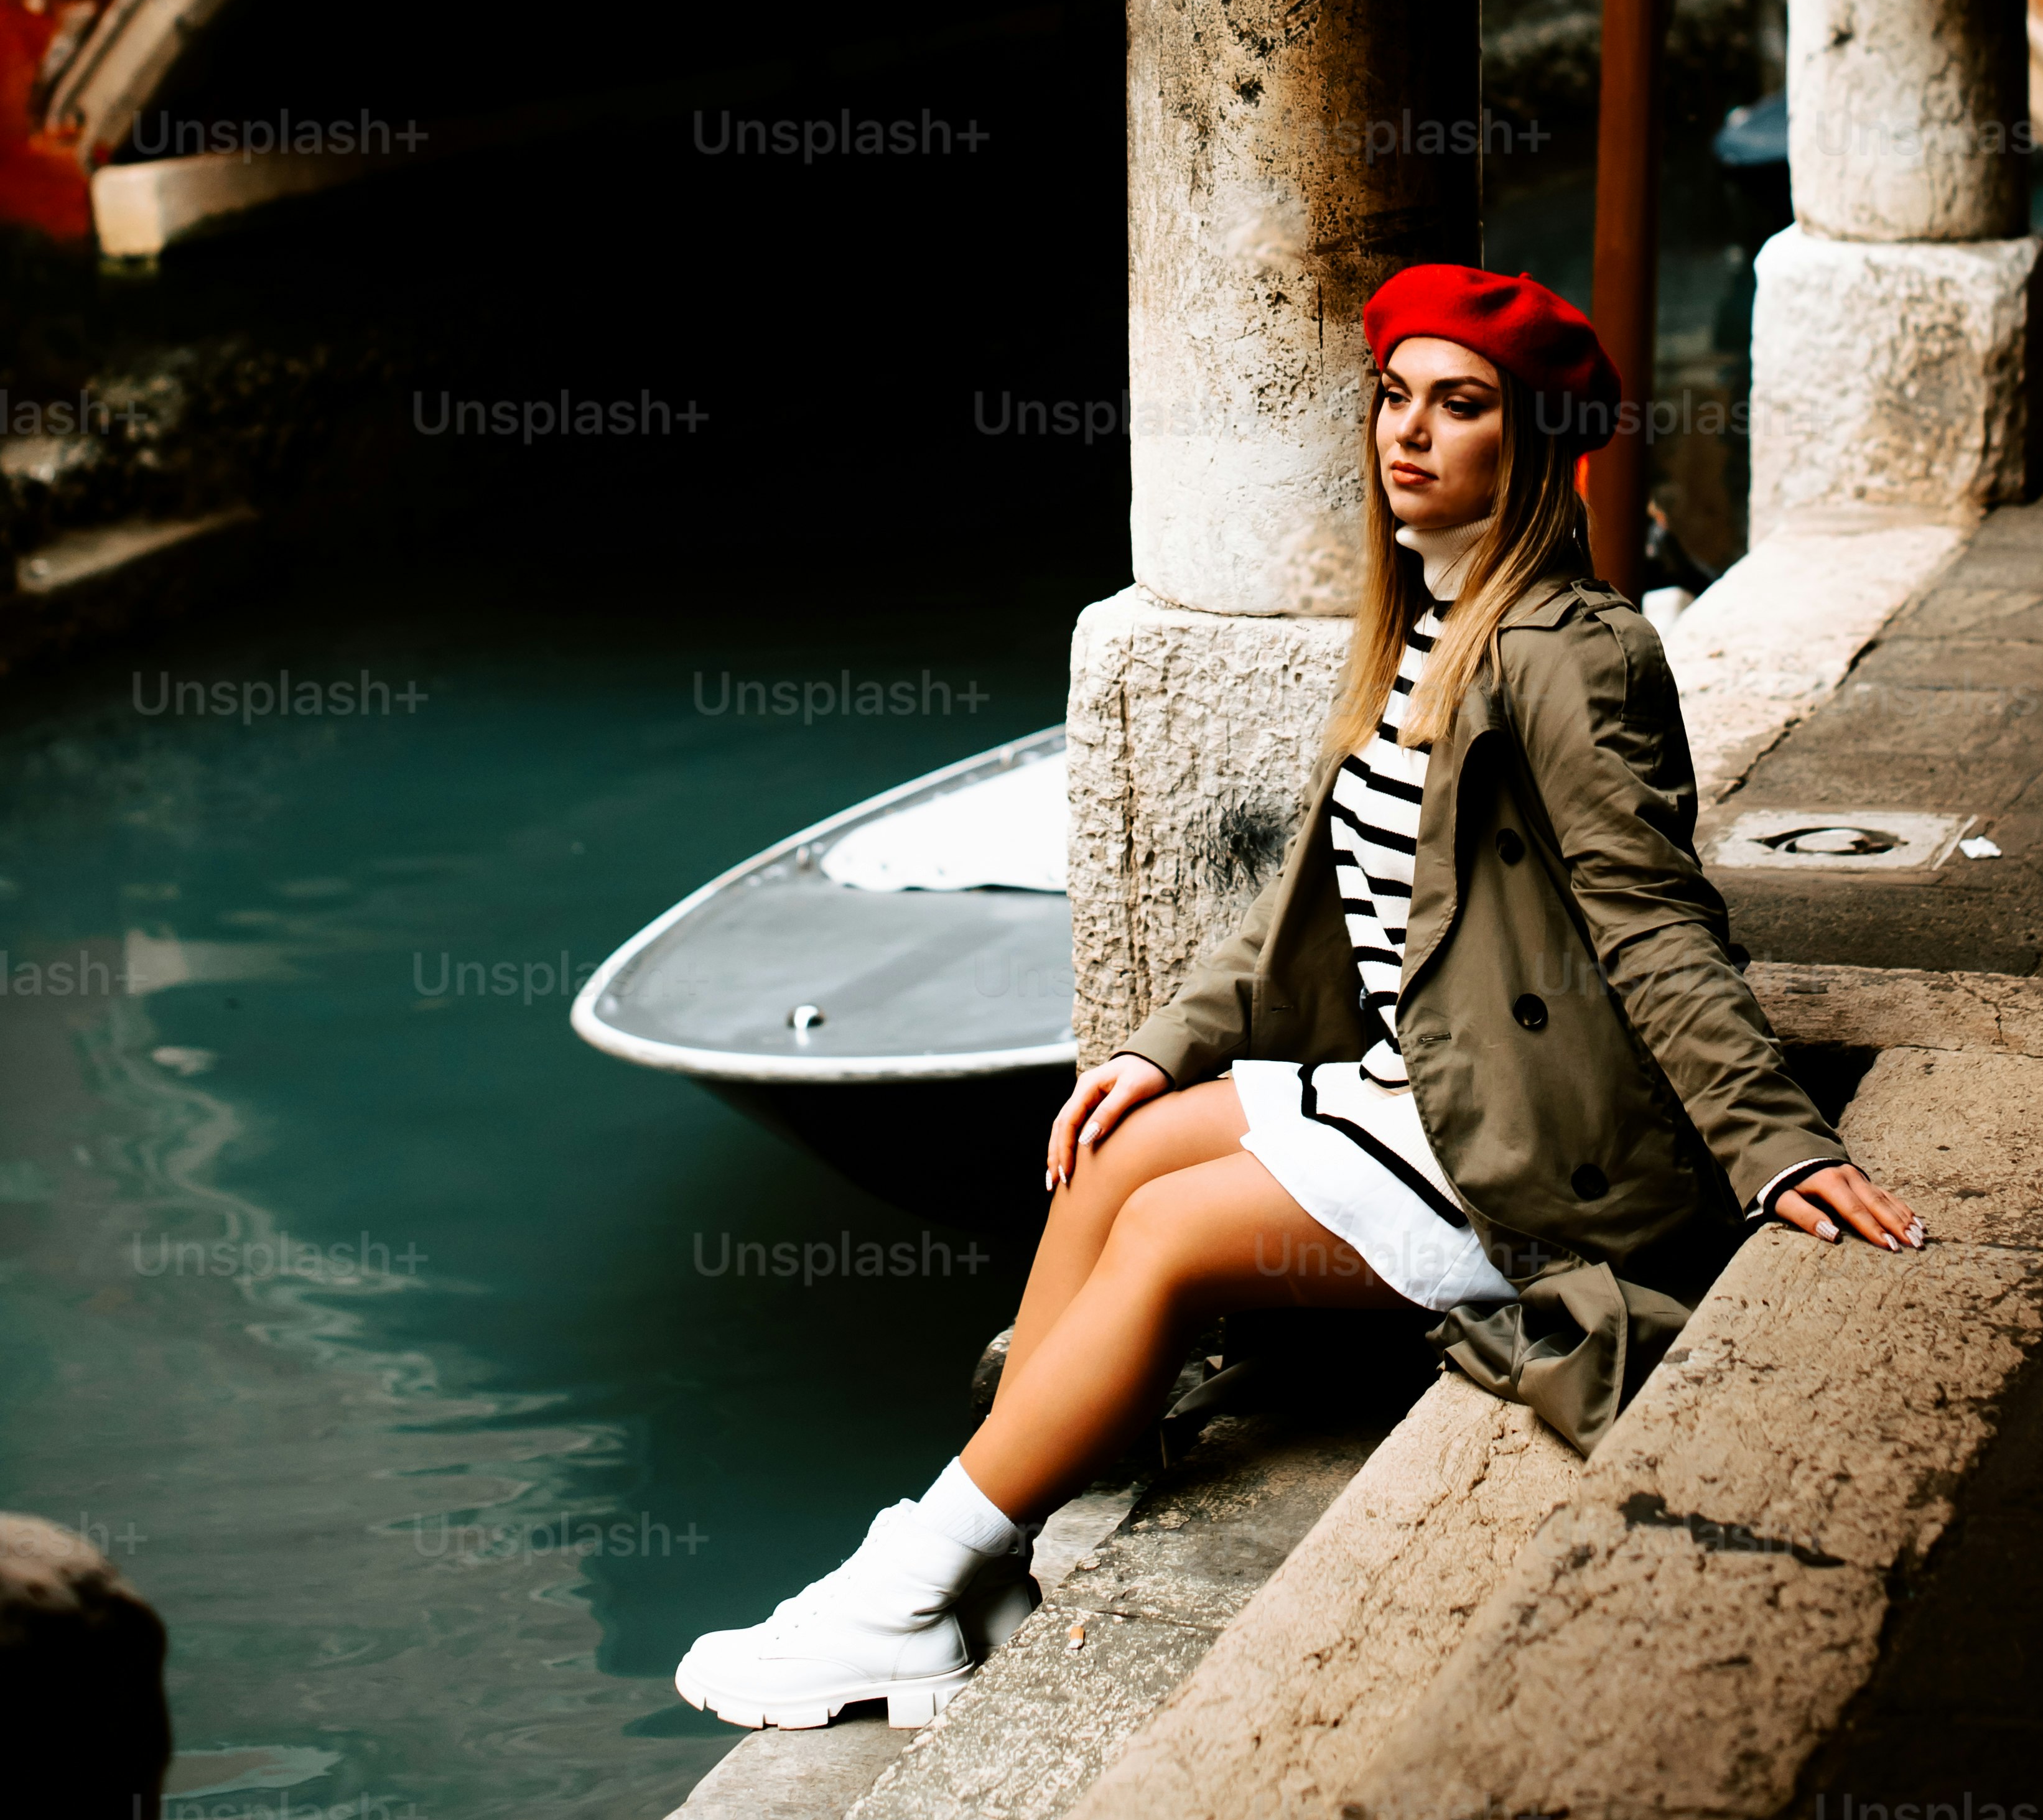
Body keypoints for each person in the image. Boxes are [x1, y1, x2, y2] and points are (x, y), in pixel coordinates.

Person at [674, 263, 1922, 1729]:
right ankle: (993, 1551)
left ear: (1527, 441)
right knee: (1111, 1144)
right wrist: (1158, 1047)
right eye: (1394, 396)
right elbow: (1303, 917)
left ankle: (898, 1590)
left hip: (1526, 1141)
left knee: (1164, 1234)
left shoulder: (1572, 653)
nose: (1410, 433)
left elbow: (1656, 920)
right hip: (1424, 1077)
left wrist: (1776, 1143)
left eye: (1459, 406)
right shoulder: (1419, 626)